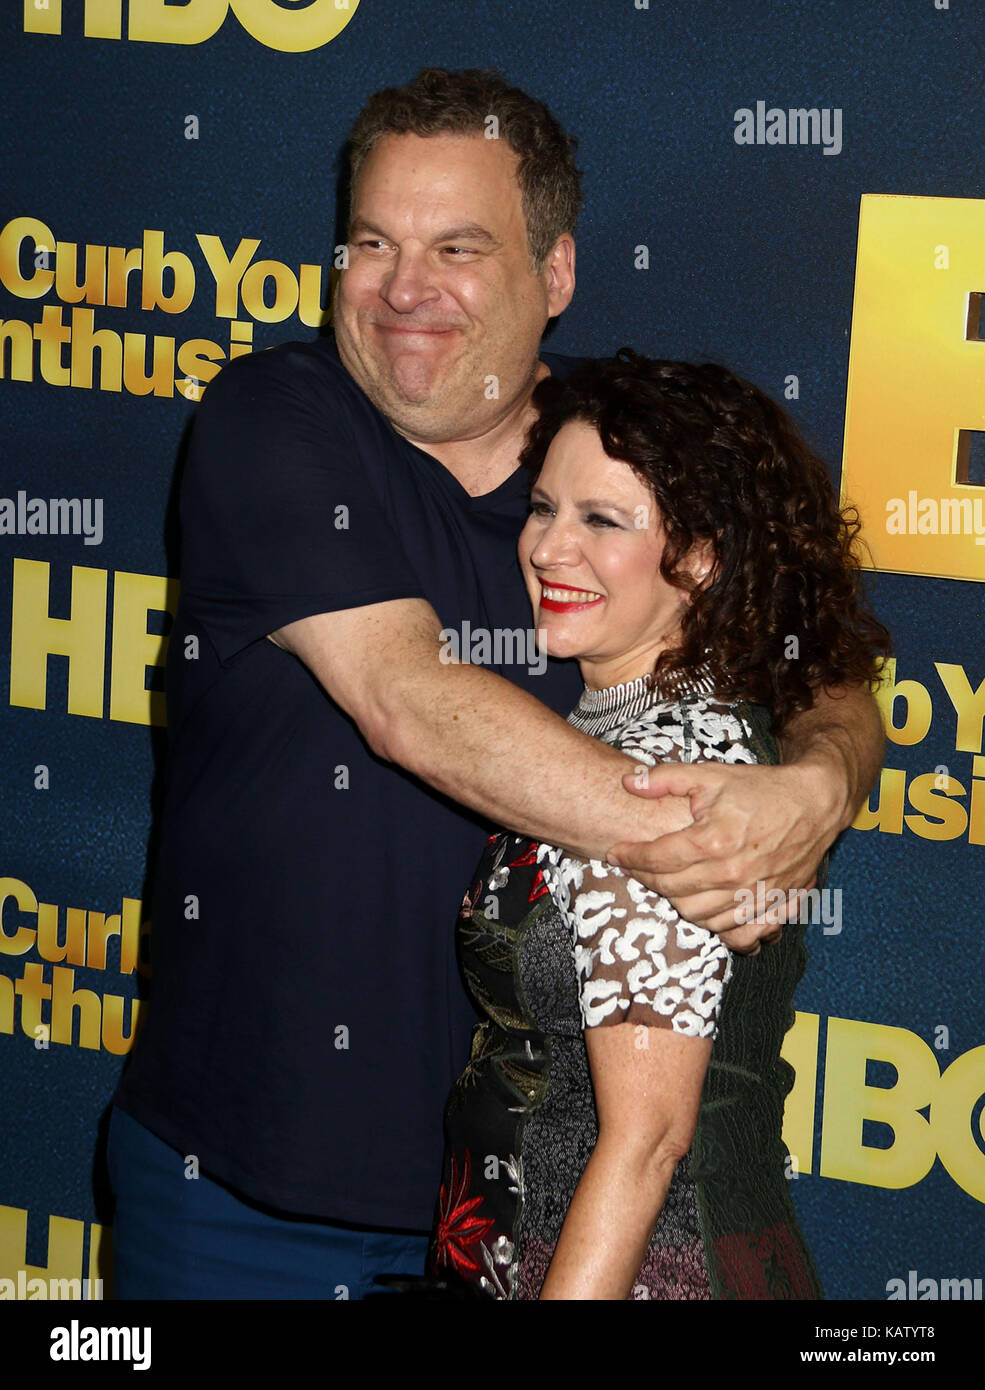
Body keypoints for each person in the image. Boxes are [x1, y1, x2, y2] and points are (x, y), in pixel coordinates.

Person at [107, 69, 884, 1300]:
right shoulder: (273, 417)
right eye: (372, 242)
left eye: (457, 247)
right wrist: (706, 838)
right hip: (240, 1196)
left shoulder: (619, 464)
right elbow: (408, 701)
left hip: (520, 1217)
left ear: (557, 273)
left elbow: (822, 658)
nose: (404, 289)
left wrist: (819, 783)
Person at [433, 351, 891, 1301]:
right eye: (544, 507)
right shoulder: (620, 713)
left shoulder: (672, 757)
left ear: (700, 557)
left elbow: (646, 1144)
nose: (549, 548)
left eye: (603, 520)